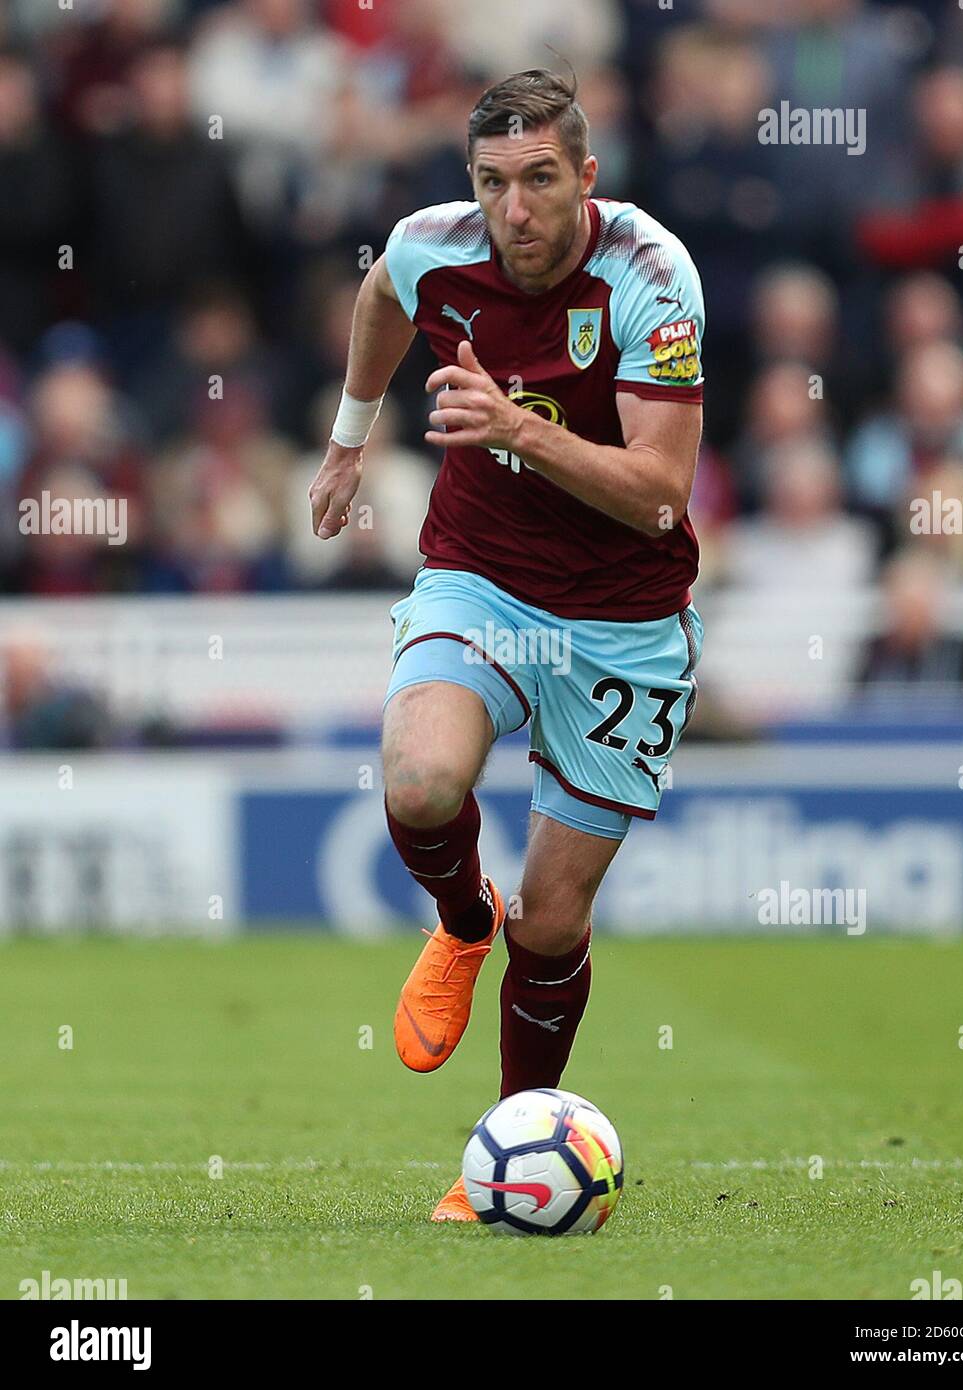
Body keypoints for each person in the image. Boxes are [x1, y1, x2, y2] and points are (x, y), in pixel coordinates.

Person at [307, 69, 705, 1221]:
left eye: (540, 181)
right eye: (493, 183)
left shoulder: (648, 277)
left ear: (586, 177)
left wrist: (518, 432)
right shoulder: (434, 247)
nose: (516, 209)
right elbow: (382, 294)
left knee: (558, 920)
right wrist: (349, 437)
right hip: (482, 580)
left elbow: (664, 497)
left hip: (625, 619)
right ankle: (458, 922)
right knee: (423, 778)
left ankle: (500, 1160)